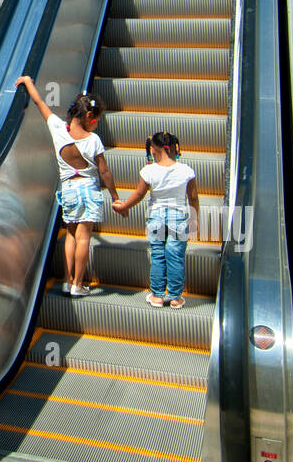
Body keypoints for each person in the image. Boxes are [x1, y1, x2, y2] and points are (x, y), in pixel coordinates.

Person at [15, 76, 118, 296]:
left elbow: (40, 103)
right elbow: (104, 171)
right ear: (89, 116)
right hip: (88, 189)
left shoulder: (58, 129)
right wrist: (115, 196)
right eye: (97, 119)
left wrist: (27, 81)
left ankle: (68, 279)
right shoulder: (93, 140)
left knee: (70, 234)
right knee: (84, 237)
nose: (97, 123)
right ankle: (78, 284)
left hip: (69, 189)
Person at [111, 131, 199, 308]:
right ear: (174, 147)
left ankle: (157, 296)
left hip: (156, 216)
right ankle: (175, 297)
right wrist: (195, 219)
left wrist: (124, 207)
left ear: (153, 150)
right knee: (175, 257)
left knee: (158, 255)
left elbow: (139, 194)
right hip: (178, 217)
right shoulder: (186, 171)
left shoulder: (149, 170)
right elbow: (193, 197)